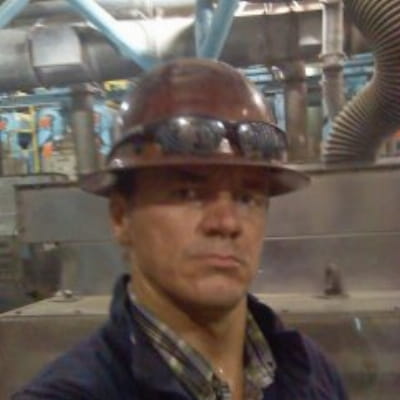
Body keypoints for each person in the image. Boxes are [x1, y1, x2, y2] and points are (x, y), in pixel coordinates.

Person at [13, 58, 347, 400]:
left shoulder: (311, 375)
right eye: (189, 194)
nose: (227, 223)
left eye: (247, 198)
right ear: (121, 217)